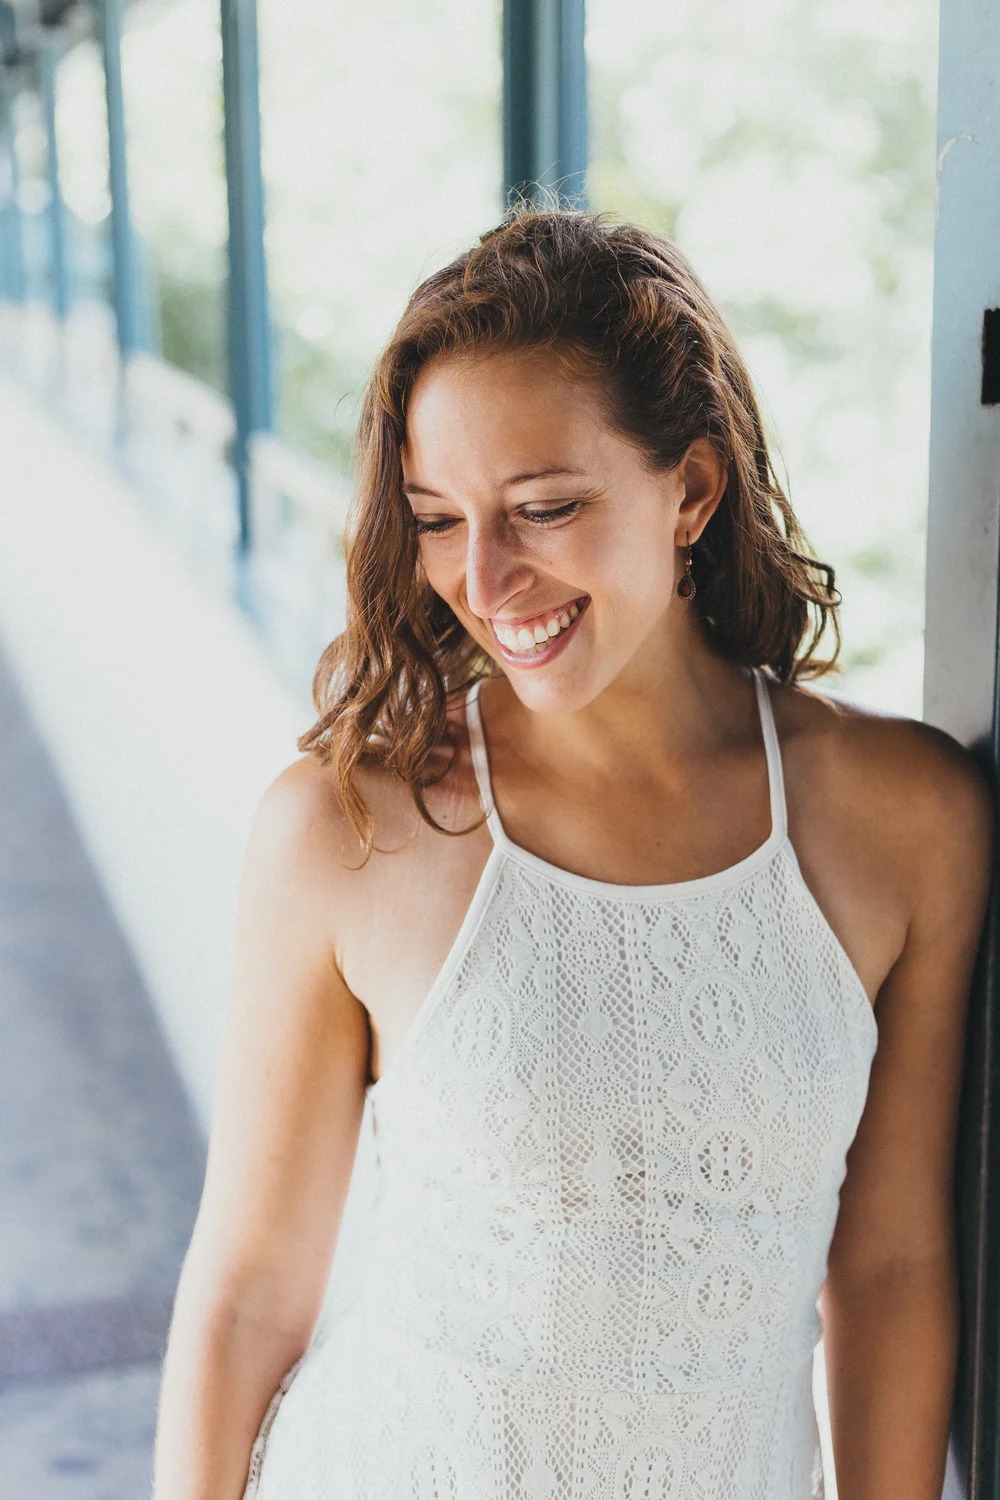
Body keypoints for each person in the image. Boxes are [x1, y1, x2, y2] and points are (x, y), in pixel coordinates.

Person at [151, 208, 992, 1500]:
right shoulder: (346, 831)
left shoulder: (906, 821)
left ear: (692, 490)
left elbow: (887, 1269)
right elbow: (249, 1298)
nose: (483, 579)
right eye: (436, 519)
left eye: (541, 508)